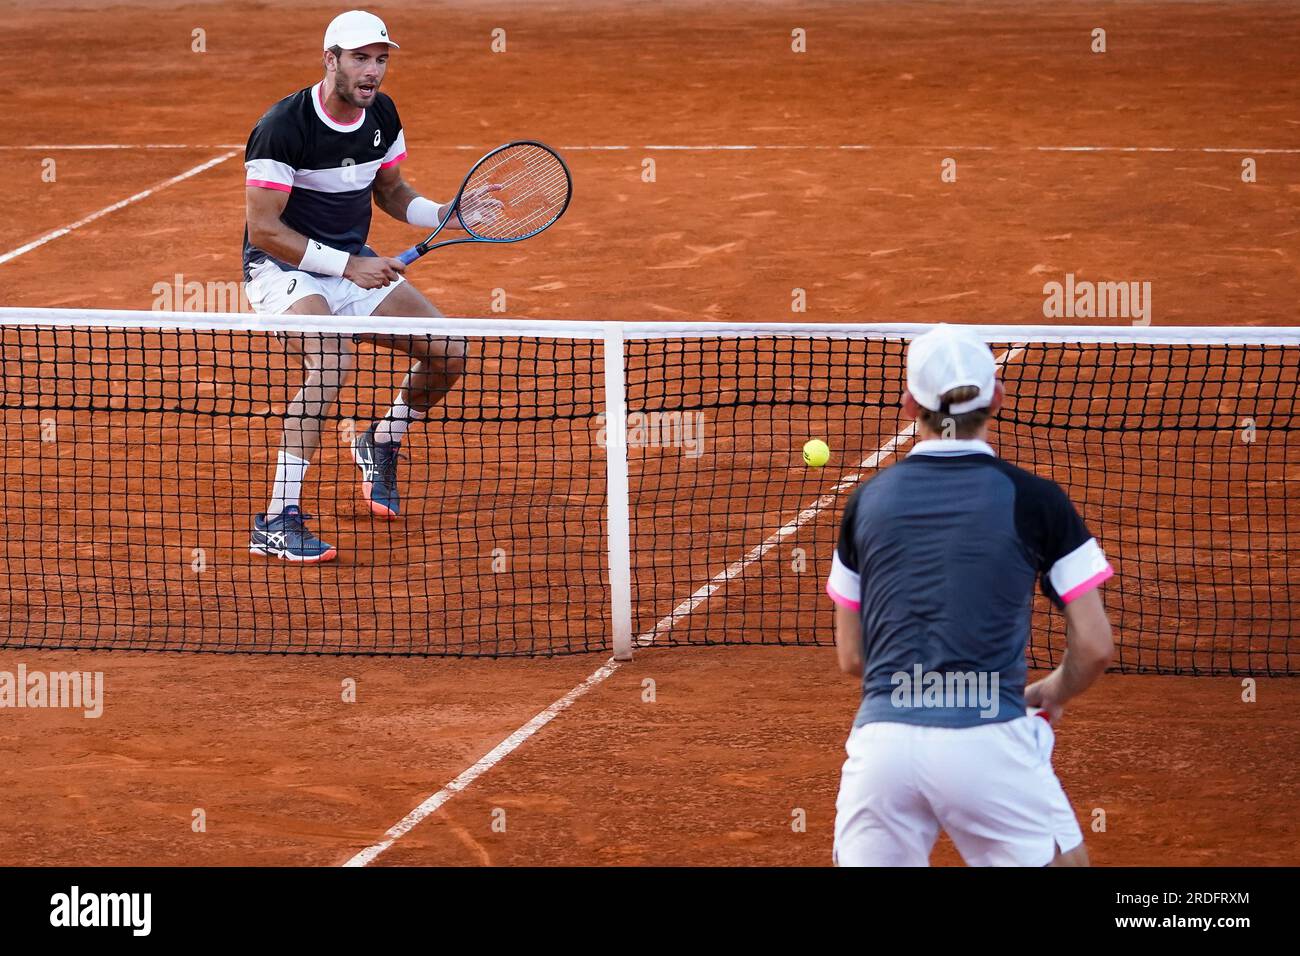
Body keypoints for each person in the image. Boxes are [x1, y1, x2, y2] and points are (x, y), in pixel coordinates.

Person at [826, 324, 1115, 866]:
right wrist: (1050, 691)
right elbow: (1095, 646)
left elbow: (853, 658)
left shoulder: (866, 503)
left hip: (882, 748)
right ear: (998, 398)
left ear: (909, 404)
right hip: (987, 742)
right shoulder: (1036, 500)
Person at [241, 10, 501, 562]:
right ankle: (277, 519)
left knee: (449, 353)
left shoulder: (381, 113)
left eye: (381, 60)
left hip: (349, 265)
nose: (372, 72)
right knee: (331, 363)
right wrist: (344, 266)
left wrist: (447, 213)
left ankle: (381, 440)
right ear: (330, 59)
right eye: (360, 58)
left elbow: (392, 192)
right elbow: (265, 229)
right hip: (283, 271)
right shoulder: (283, 125)